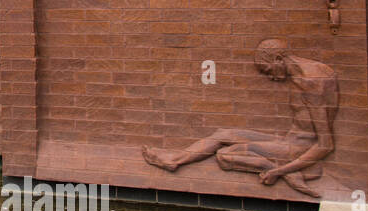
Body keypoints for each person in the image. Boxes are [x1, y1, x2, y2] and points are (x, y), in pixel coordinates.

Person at [142, 39, 338, 197]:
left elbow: (325, 145)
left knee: (225, 155)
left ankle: (282, 169)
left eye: (268, 70)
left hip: (297, 149)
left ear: (279, 59)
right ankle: (175, 159)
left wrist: (277, 172)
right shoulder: (316, 70)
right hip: (288, 141)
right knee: (223, 134)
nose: (270, 77)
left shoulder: (312, 84)